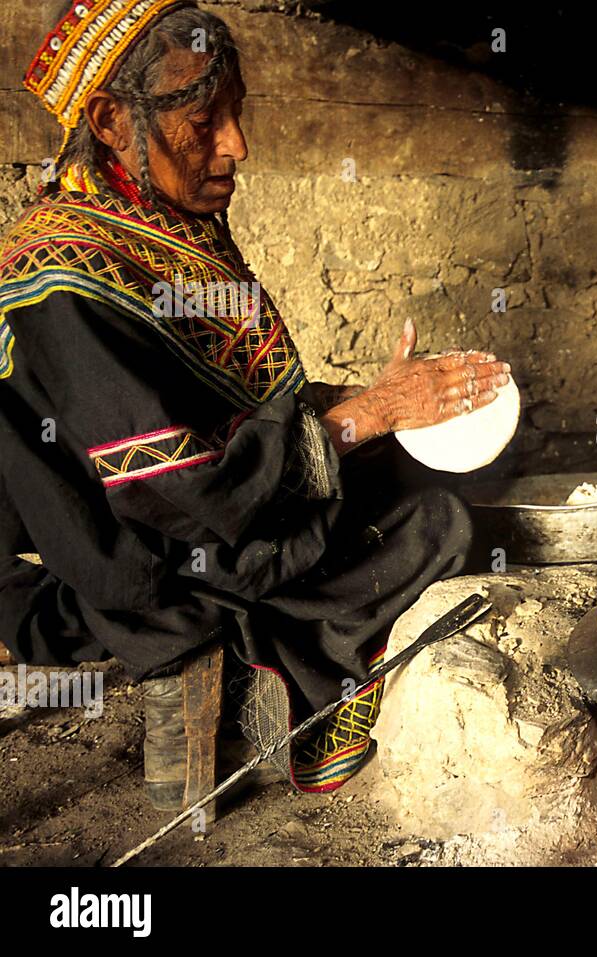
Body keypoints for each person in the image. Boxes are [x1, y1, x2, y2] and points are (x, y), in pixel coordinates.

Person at [0, 0, 511, 805]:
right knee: (439, 520)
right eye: (206, 121)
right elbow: (187, 483)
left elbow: (211, 406)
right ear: (108, 119)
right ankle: (258, 663)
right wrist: (366, 415)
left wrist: (363, 401)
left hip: (175, 521)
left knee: (394, 479)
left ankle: (248, 648)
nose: (237, 145)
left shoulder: (141, 223)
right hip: (146, 568)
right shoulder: (70, 278)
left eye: (235, 115)